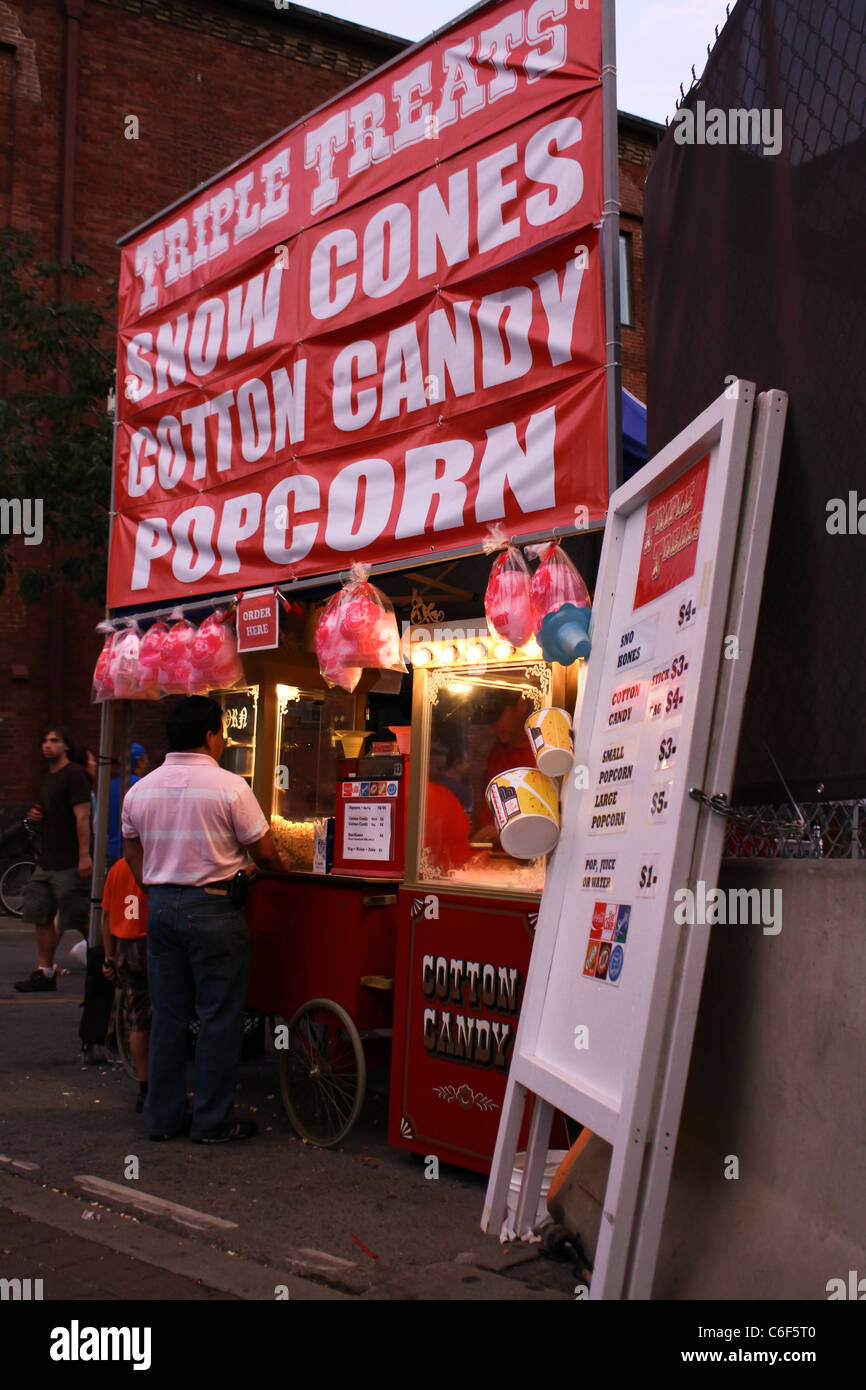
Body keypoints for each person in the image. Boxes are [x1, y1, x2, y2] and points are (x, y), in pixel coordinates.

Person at [122, 695, 292, 1144]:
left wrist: (155, 885)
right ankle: (212, 1122)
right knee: (218, 1017)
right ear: (211, 736)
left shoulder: (140, 790)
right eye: (222, 732)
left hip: (160, 909)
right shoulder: (231, 788)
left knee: (170, 1016)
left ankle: (162, 1118)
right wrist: (279, 868)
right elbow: (267, 852)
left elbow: (132, 854)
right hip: (215, 909)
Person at [15, 728, 92, 992]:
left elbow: (83, 816)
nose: (47, 745)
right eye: (45, 741)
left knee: (82, 916)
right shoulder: (48, 778)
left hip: (69, 860)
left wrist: (84, 856)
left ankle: (106, 964)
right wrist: (34, 819)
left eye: (54, 740)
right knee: (41, 913)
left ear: (66, 746)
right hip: (46, 860)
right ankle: (45, 971)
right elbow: (39, 818)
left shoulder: (75, 775)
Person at [100, 857, 150, 1112]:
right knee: (165, 1016)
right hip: (149, 945)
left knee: (138, 1020)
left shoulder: (117, 868)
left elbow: (106, 916)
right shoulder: (155, 863)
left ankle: (145, 1086)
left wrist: (108, 958)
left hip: (123, 946)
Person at [107, 744, 149, 866]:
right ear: (139, 761)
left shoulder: (109, 786)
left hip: (110, 850)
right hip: (133, 851)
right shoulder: (141, 785)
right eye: (145, 759)